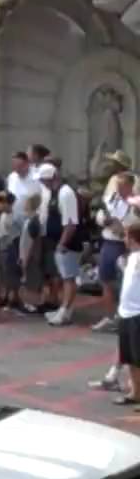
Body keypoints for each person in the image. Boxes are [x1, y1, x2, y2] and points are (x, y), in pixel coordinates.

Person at [40, 163, 85, 326]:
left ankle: (65, 311)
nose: (43, 184)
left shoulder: (65, 193)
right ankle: (65, 309)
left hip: (68, 244)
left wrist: (62, 243)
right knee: (65, 276)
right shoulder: (55, 192)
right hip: (59, 241)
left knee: (68, 278)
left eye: (44, 180)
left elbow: (71, 223)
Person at [94, 173, 137, 333]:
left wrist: (123, 229)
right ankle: (109, 317)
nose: (118, 189)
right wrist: (103, 220)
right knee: (106, 279)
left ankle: (126, 317)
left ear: (130, 186)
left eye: (122, 186)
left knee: (127, 283)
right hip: (109, 241)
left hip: (126, 245)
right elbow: (100, 215)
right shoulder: (112, 198)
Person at [111, 223, 140, 409]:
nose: (124, 239)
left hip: (138, 313)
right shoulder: (131, 258)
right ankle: (136, 393)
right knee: (130, 358)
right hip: (126, 312)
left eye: (127, 236)